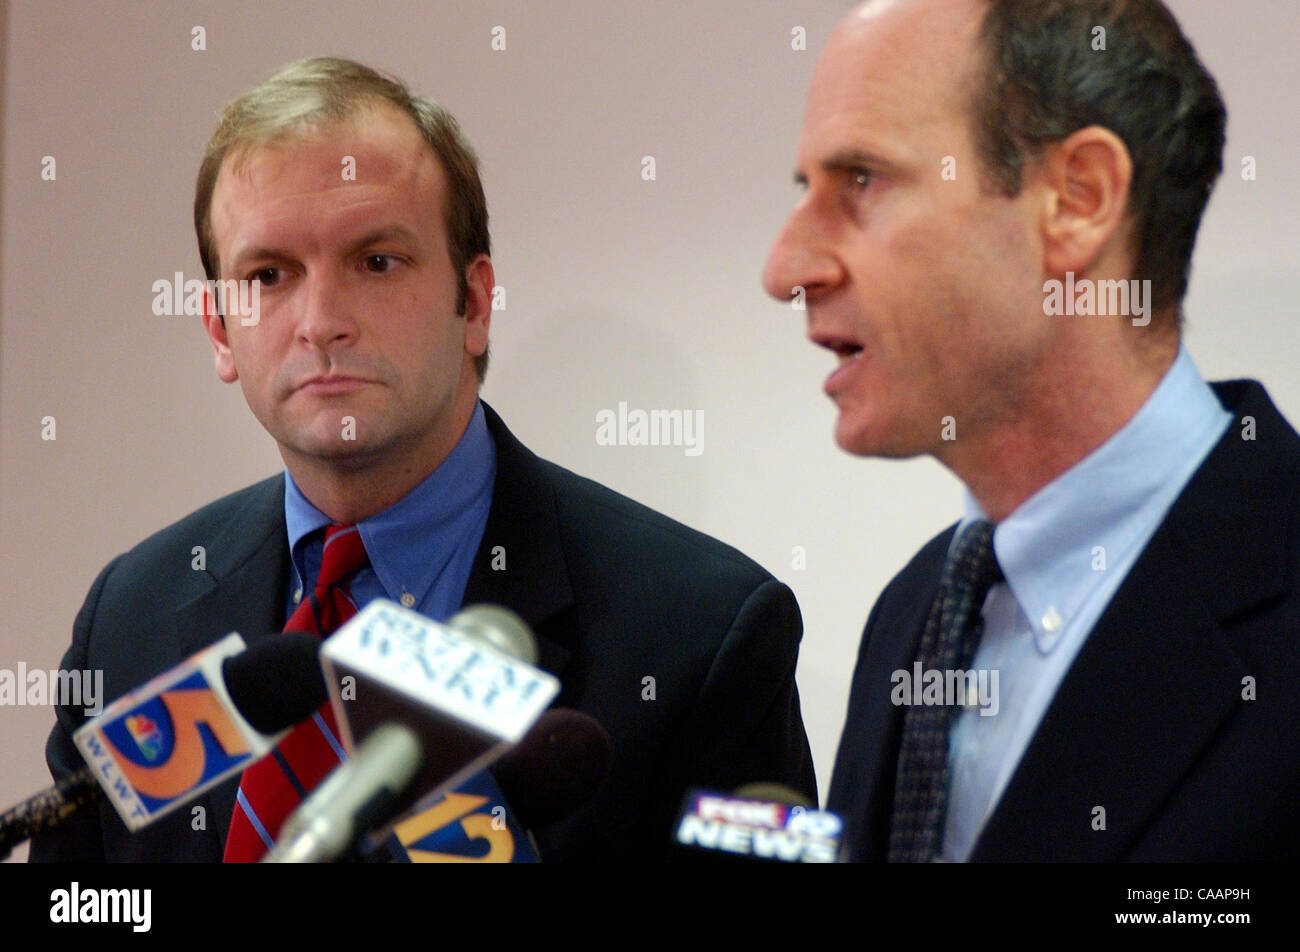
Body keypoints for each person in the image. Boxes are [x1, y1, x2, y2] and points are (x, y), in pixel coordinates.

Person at [32, 57, 815, 863]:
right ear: (219, 331)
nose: (322, 321)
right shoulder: (132, 618)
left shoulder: (709, 631)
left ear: (473, 303)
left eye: (377, 262)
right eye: (269, 275)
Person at [763, 0, 1298, 861]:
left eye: (861, 181)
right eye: (807, 192)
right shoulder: (915, 612)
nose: (785, 269)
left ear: (1077, 201)